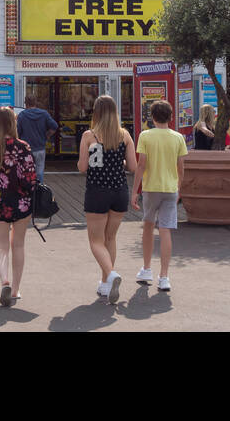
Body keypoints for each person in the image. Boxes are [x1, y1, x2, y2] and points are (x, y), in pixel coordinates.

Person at [77, 94, 137, 304]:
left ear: (96, 112)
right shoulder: (124, 135)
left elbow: (84, 168)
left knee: (95, 241)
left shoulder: (89, 136)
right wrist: (116, 161)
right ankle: (105, 284)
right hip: (119, 191)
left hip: (97, 192)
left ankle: (111, 275)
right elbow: (133, 166)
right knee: (110, 239)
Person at [0, 107, 36, 307]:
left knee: (0, 244)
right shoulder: (23, 146)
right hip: (20, 200)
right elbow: (30, 178)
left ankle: (4, 281)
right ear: (13, 123)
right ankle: (16, 290)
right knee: (18, 244)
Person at [132, 100, 188, 292]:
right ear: (171, 117)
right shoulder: (178, 137)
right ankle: (164, 276)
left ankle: (146, 268)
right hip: (170, 188)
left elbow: (141, 165)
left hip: (150, 188)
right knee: (166, 230)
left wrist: (134, 191)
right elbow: (181, 167)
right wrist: (179, 187)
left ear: (152, 117)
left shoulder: (145, 136)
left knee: (148, 227)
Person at [17, 95, 59, 183]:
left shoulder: (22, 115)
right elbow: (54, 126)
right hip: (40, 148)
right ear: (35, 102)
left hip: (26, 149)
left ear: (25, 103)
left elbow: (18, 132)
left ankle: (28, 192)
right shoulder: (44, 114)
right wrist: (47, 135)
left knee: (26, 172)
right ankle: (39, 192)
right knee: (39, 173)